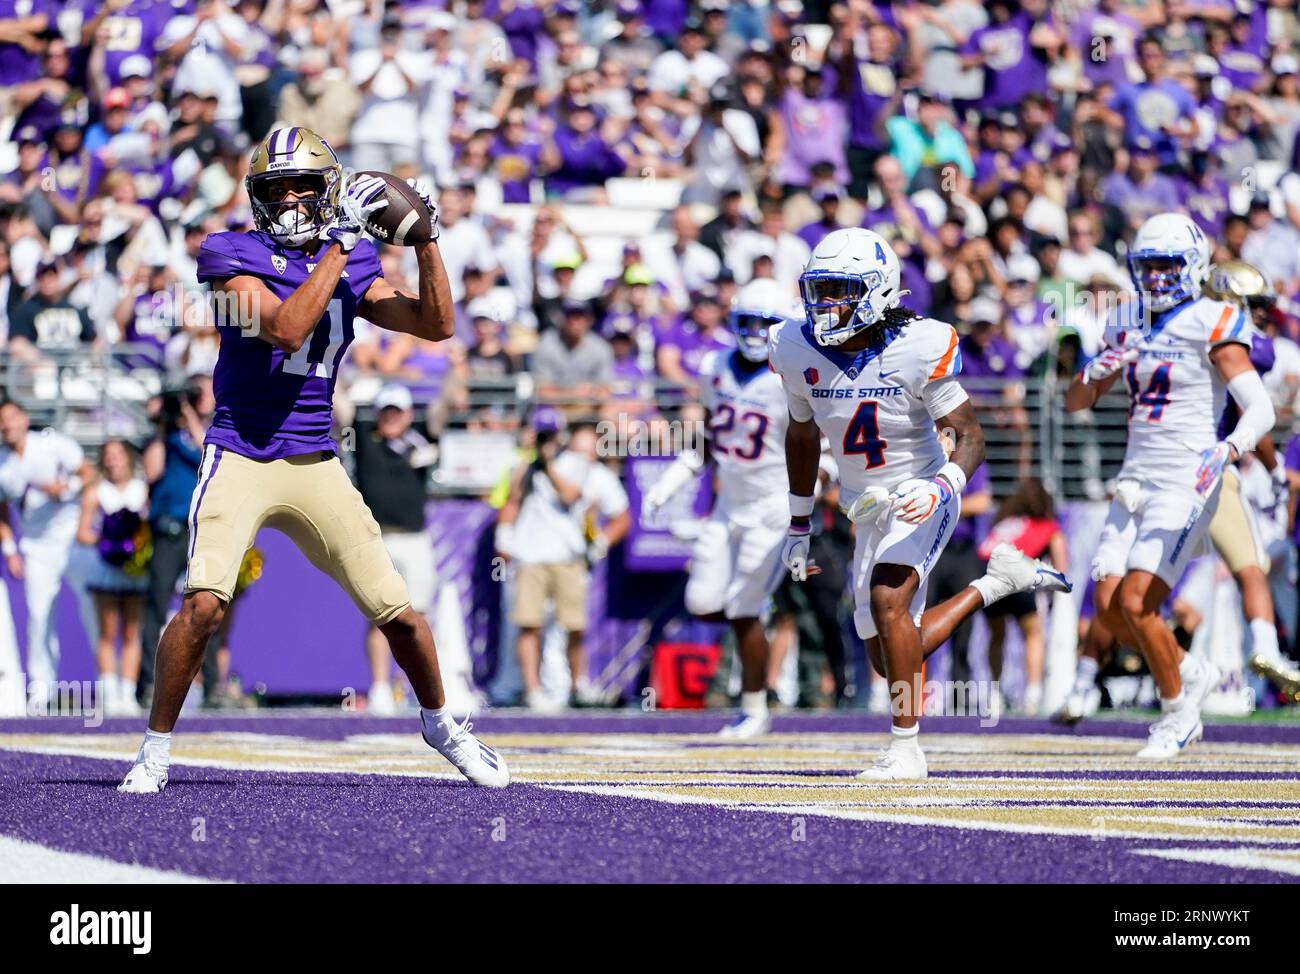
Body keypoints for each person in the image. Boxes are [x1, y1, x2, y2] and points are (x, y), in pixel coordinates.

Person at [118, 126, 507, 792]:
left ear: (327, 190)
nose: (293, 197)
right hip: (240, 450)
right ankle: (154, 748)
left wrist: (428, 242)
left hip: (316, 459)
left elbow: (435, 326)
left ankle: (443, 725)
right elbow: (286, 326)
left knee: (400, 613)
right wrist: (345, 239)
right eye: (279, 187)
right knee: (206, 603)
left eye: (304, 185)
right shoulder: (228, 252)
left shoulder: (352, 260)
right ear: (257, 197)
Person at [771, 228, 1069, 780]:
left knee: (889, 602)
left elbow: (970, 434)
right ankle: (993, 585)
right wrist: (798, 521)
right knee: (887, 653)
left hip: (921, 491)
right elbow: (802, 434)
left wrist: (944, 484)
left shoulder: (921, 343)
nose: (826, 303)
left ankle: (906, 749)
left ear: (878, 291)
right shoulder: (793, 345)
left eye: (840, 289)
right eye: (821, 288)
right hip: (864, 504)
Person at [1064, 213, 1275, 760]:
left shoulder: (1214, 318)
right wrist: (1099, 369)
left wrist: (1230, 447)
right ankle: (1187, 669)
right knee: (1108, 608)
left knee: (1137, 602)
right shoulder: (1126, 318)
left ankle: (1178, 713)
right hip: (1135, 476)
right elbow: (1075, 402)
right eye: (1147, 266)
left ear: (1194, 266)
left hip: (1187, 477)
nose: (1156, 278)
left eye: (1167, 266)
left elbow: (1261, 408)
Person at [642, 279, 793, 738]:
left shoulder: (792, 377)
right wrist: (670, 482)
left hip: (771, 509)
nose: (753, 330)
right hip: (729, 507)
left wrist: (814, 495)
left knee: (744, 610)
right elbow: (709, 439)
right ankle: (760, 618)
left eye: (764, 322)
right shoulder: (716, 368)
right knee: (703, 601)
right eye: (746, 320)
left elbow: (813, 447)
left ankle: (754, 708)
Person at [496, 413, 630, 711]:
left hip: (567, 558)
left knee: (573, 626)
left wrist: (548, 466)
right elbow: (512, 502)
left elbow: (570, 496)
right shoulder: (524, 467)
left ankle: (576, 685)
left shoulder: (576, 465)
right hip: (531, 557)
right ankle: (532, 690)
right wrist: (504, 540)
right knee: (529, 625)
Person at [0, 399, 96, 711]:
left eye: (12, 417)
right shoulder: (2, 462)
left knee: (93, 607)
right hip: (35, 547)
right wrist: (11, 549)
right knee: (39, 618)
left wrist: (65, 488)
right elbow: (2, 510)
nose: (7, 425)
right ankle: (42, 691)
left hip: (71, 539)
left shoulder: (53, 444)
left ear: (24, 418)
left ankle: (113, 686)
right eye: (2, 420)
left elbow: (88, 473)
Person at [352, 383, 438, 716]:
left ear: (408, 416)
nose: (390, 418)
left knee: (419, 617)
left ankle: (416, 689)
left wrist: (455, 367)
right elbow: (342, 407)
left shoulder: (420, 443)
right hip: (379, 539)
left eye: (396, 412)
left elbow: (444, 408)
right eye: (385, 411)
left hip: (415, 539)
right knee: (380, 617)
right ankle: (380, 688)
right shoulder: (365, 440)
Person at [977, 478, 1069, 716]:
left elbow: (986, 550)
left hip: (989, 575)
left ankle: (994, 696)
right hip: (1017, 576)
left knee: (997, 637)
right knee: (1033, 634)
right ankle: (1032, 694)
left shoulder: (1005, 522)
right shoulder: (1048, 526)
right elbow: (1062, 569)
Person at [77, 439, 150, 717]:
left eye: (118, 455)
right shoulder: (95, 492)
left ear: (128, 458)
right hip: (105, 571)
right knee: (107, 632)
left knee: (132, 632)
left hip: (134, 572)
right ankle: (108, 692)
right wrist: (109, 541)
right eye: (108, 456)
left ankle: (128, 693)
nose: (113, 461)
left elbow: (148, 528)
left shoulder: (142, 490)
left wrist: (136, 546)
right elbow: (82, 533)